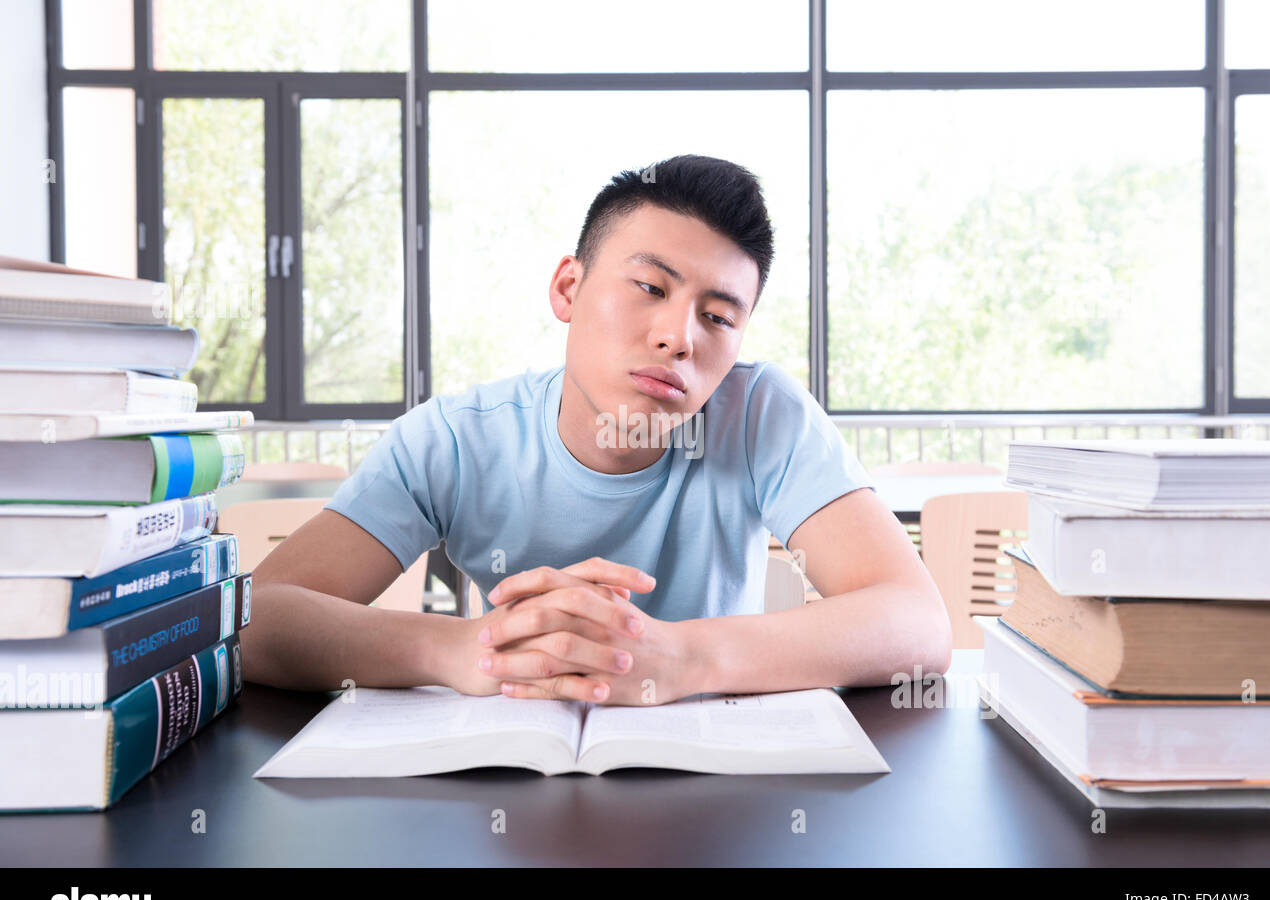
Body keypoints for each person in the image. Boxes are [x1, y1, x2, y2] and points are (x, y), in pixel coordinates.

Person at [242, 153, 952, 705]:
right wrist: (468, 648)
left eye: (718, 316)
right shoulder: (454, 440)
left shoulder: (761, 414)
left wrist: (678, 657)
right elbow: (257, 619)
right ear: (568, 289)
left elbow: (917, 622)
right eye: (650, 287)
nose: (680, 337)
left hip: (710, 794)